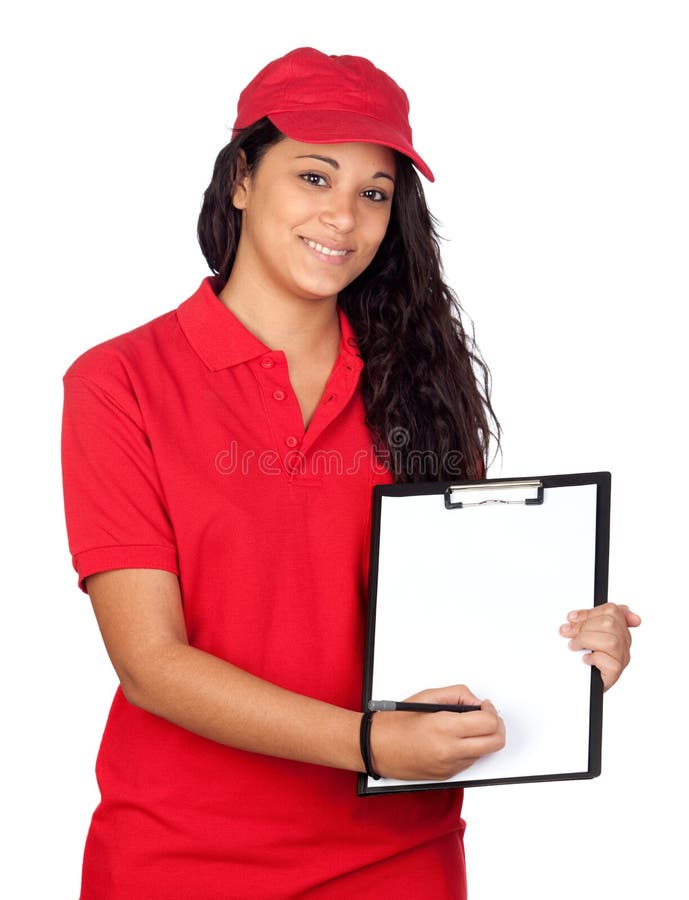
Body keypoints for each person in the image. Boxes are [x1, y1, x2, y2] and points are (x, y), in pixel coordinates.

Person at [60, 47, 641, 899]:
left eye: (373, 192)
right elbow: (150, 660)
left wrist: (568, 651)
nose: (344, 217)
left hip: (398, 858)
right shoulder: (120, 382)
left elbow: (454, 622)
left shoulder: (418, 383)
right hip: (179, 862)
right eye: (314, 176)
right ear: (240, 181)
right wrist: (368, 743)